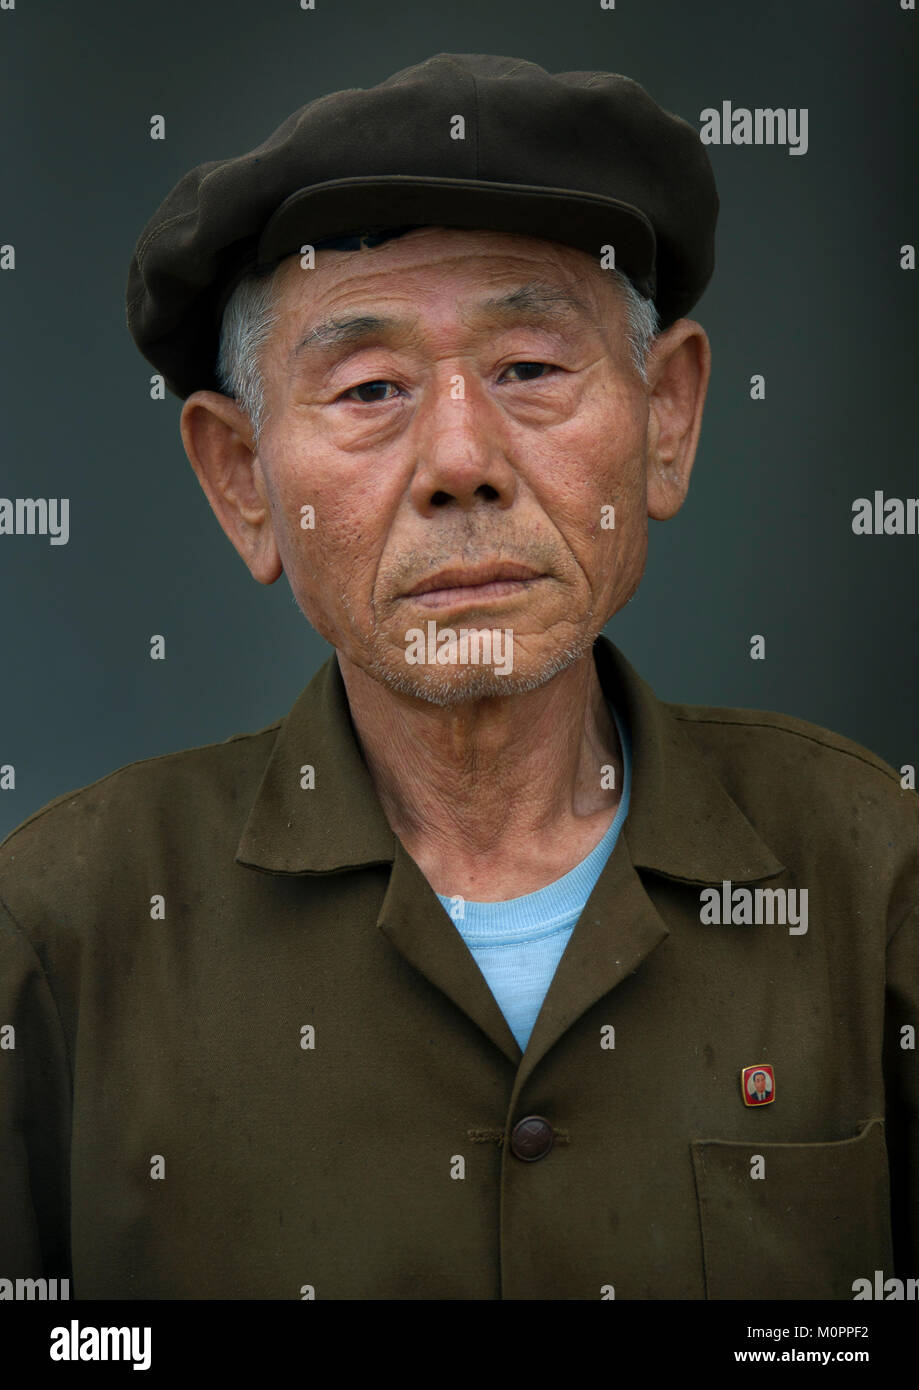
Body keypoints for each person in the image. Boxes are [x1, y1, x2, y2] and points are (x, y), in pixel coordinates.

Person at [1, 52, 916, 1301]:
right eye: (370, 388)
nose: (459, 457)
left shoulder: (872, 879)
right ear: (240, 483)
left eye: (530, 368)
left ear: (667, 417)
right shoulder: (60, 932)